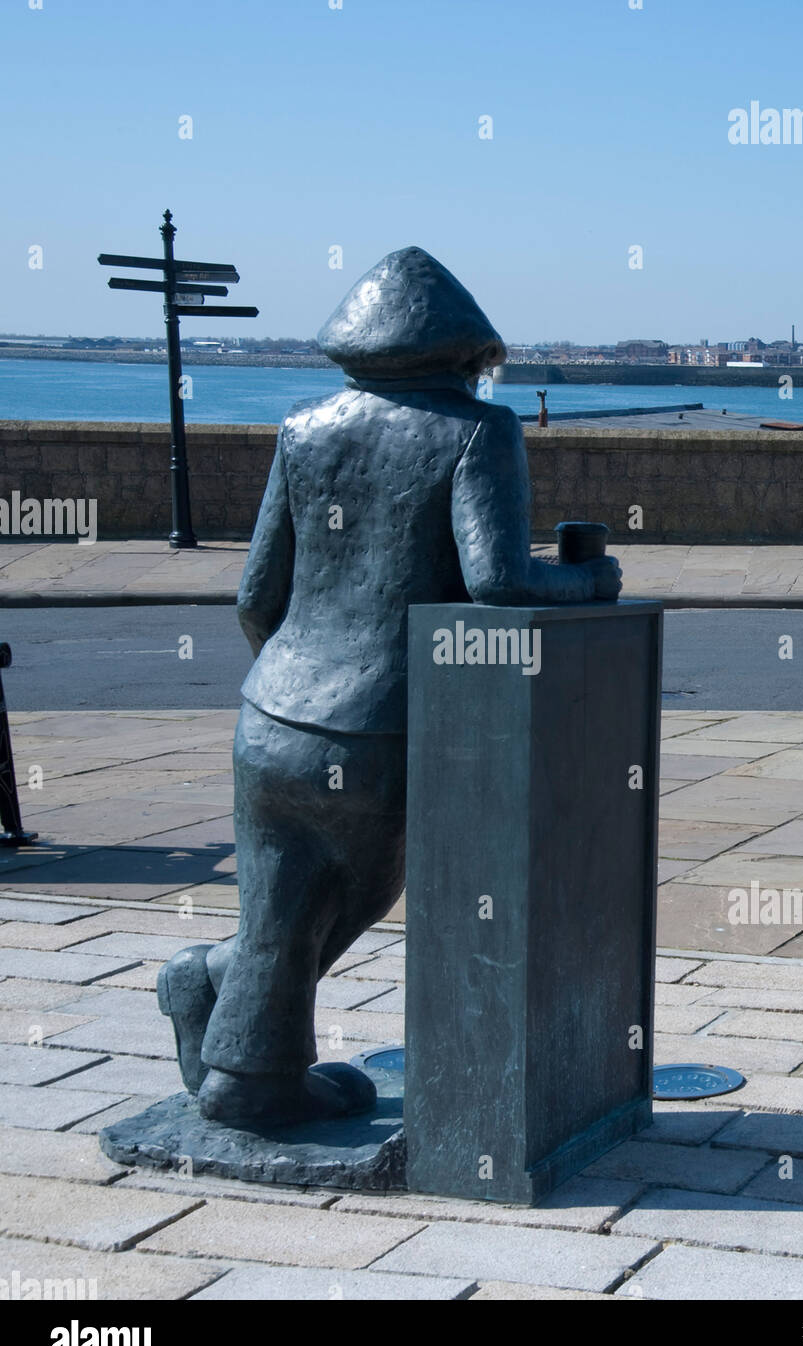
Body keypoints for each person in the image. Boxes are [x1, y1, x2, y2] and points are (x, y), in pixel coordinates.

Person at [157, 246, 622, 1127]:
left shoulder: (304, 430)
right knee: (351, 892)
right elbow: (498, 584)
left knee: (286, 899)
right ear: (465, 347)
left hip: (275, 709)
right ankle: (244, 1074)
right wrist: (591, 582)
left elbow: (258, 595)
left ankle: (223, 1005)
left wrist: (290, 681)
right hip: (378, 725)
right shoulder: (478, 431)